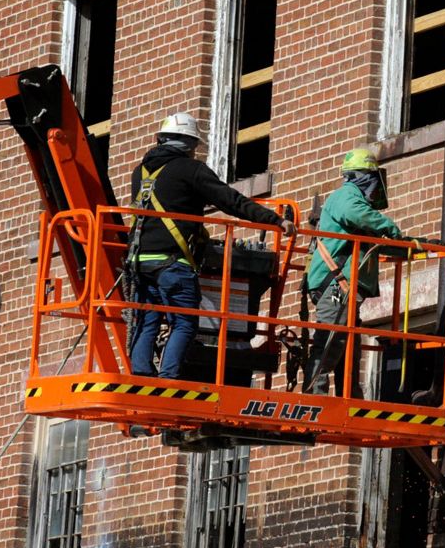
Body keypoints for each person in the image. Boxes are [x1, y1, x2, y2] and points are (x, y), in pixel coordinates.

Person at [128, 112, 295, 379]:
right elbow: (231, 201)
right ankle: (168, 377)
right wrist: (273, 220)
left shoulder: (141, 172)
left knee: (147, 319)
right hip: (173, 263)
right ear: (189, 145)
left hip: (139, 262)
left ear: (160, 139)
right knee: (184, 322)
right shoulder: (190, 170)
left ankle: (140, 373)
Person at [304, 148, 405, 395]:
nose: (374, 185)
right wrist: (389, 227)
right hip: (336, 284)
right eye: (371, 178)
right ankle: (314, 397)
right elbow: (357, 216)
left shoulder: (352, 199)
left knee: (349, 344)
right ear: (363, 176)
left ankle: (350, 397)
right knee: (331, 340)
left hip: (343, 285)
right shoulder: (346, 197)